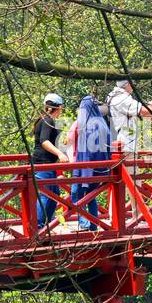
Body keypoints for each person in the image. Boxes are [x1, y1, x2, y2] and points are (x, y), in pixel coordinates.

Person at [72, 94, 111, 231]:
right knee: (91, 197)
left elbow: (88, 152)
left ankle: (85, 224)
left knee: (80, 195)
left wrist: (85, 173)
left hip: (87, 168)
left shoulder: (89, 125)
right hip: (100, 168)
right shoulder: (103, 123)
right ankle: (93, 225)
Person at [32, 93, 70, 228]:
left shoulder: (45, 120)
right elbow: (44, 141)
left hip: (49, 164)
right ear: (58, 108)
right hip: (43, 163)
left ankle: (45, 225)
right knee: (46, 195)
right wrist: (59, 153)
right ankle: (38, 226)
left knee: (53, 196)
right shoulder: (47, 120)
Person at [104, 79, 152, 154]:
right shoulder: (121, 98)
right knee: (128, 164)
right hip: (125, 141)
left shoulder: (113, 95)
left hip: (123, 137)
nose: (133, 86)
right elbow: (146, 111)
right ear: (128, 84)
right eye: (132, 83)